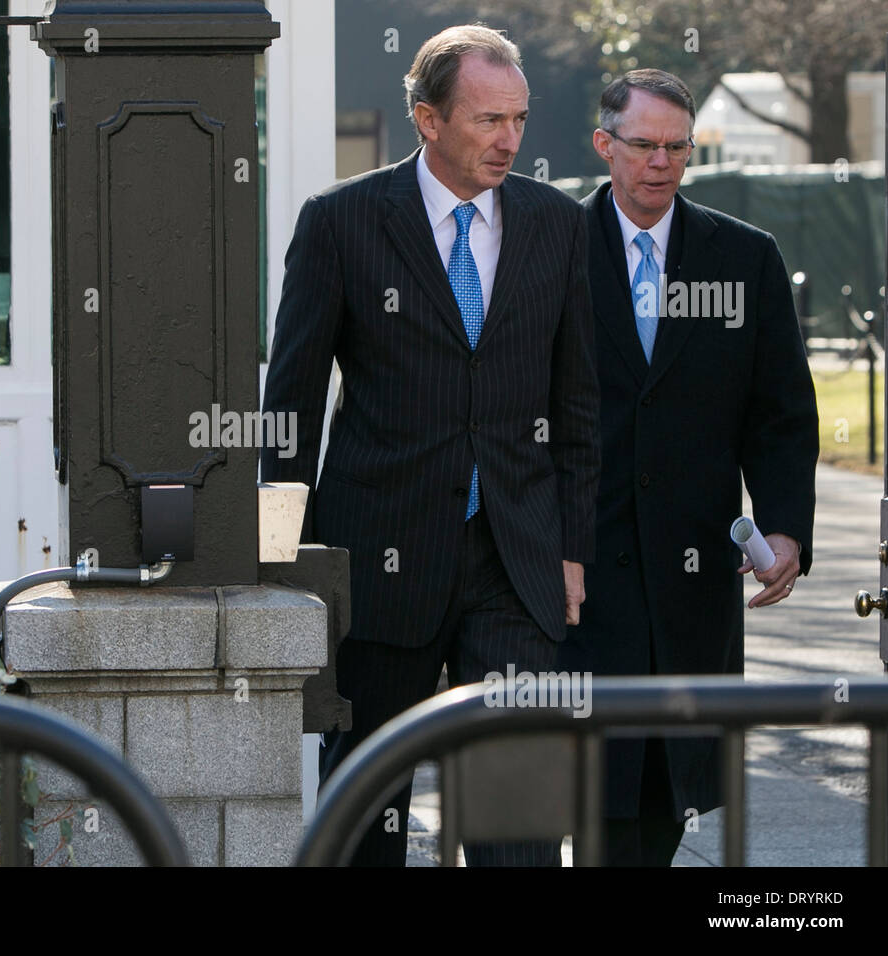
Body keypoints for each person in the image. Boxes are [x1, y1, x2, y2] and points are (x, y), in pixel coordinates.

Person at [259, 24, 600, 866]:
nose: (509, 139)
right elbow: (291, 403)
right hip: (378, 554)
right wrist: (285, 555)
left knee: (516, 819)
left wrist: (571, 548)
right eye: (488, 120)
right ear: (427, 118)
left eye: (518, 118)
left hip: (515, 560)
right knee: (367, 810)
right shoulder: (341, 222)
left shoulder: (557, 225)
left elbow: (581, 407)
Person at [557, 69, 819, 866]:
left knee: (670, 793)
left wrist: (781, 528)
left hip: (694, 573)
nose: (660, 163)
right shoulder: (552, 249)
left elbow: (780, 415)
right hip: (582, 570)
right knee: (593, 790)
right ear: (605, 146)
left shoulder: (745, 257)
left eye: (678, 147)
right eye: (642, 146)